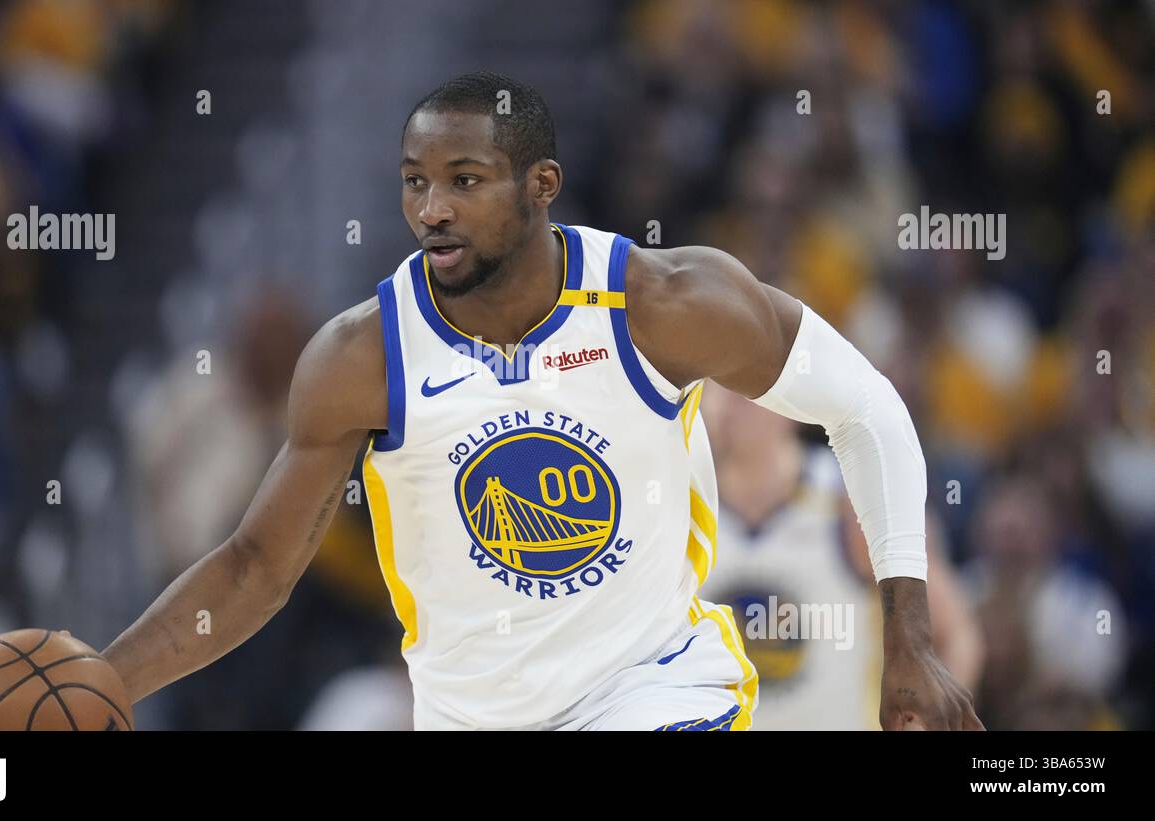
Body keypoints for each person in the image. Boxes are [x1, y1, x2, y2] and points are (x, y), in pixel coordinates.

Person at [101, 71, 982, 731]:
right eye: (416, 181)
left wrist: (909, 638)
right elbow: (256, 566)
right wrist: (107, 683)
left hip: (654, 689)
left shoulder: (663, 304)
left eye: (465, 180)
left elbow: (868, 408)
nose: (434, 209)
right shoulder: (361, 356)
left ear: (541, 186)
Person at [697, 381, 984, 729]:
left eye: (734, 387)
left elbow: (957, 636)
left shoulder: (851, 502)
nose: (716, 405)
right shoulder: (676, 502)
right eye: (706, 388)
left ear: (789, 402)